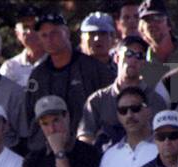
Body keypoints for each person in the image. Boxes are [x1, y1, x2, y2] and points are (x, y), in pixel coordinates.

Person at [26, 11, 114, 153]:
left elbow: (110, 110)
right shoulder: (37, 75)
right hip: (47, 152)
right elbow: (31, 117)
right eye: (44, 35)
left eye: (55, 33)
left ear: (66, 32)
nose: (50, 39)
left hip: (87, 151)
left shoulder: (93, 69)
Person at [78, 35, 167, 149]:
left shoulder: (155, 100)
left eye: (139, 56)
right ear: (117, 58)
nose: (133, 60)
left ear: (144, 63)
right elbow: (86, 138)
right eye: (128, 54)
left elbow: (164, 137)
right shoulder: (97, 100)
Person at [0, 4, 44, 90]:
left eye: (35, 27)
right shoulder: (10, 67)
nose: (30, 32)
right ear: (17, 34)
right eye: (25, 27)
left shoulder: (57, 61)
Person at [137, 0, 178, 65]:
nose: (152, 24)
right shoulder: (140, 63)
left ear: (169, 24)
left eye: (158, 18)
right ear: (142, 31)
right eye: (147, 20)